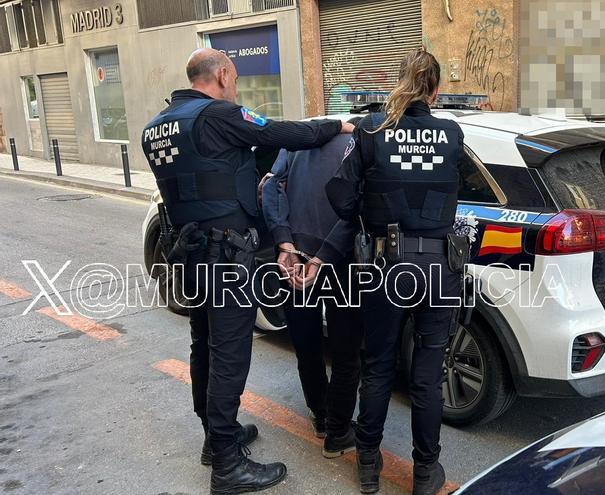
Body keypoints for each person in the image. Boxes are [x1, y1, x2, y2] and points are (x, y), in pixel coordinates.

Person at [141, 48, 353, 495]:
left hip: (189, 254)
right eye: (234, 79)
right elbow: (280, 132)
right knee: (230, 354)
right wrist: (337, 125)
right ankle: (227, 464)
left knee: (205, 345)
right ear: (220, 74)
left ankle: (215, 439)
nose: (235, 87)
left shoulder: (156, 127)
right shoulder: (218, 114)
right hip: (225, 257)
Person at [325, 48, 466, 495]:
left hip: (385, 266)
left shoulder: (371, 132)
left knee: (379, 366)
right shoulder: (452, 133)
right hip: (439, 266)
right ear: (436, 90)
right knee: (427, 374)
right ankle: (426, 473)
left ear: (397, 83)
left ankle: (369, 466)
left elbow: (340, 198)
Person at [260, 118, 364, 459]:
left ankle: (320, 415)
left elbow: (271, 186)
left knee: (306, 343)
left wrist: (284, 242)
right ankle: (337, 431)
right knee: (346, 349)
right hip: (341, 259)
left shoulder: (295, 142)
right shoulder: (359, 143)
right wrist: (324, 256)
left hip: (296, 256)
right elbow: (356, 210)